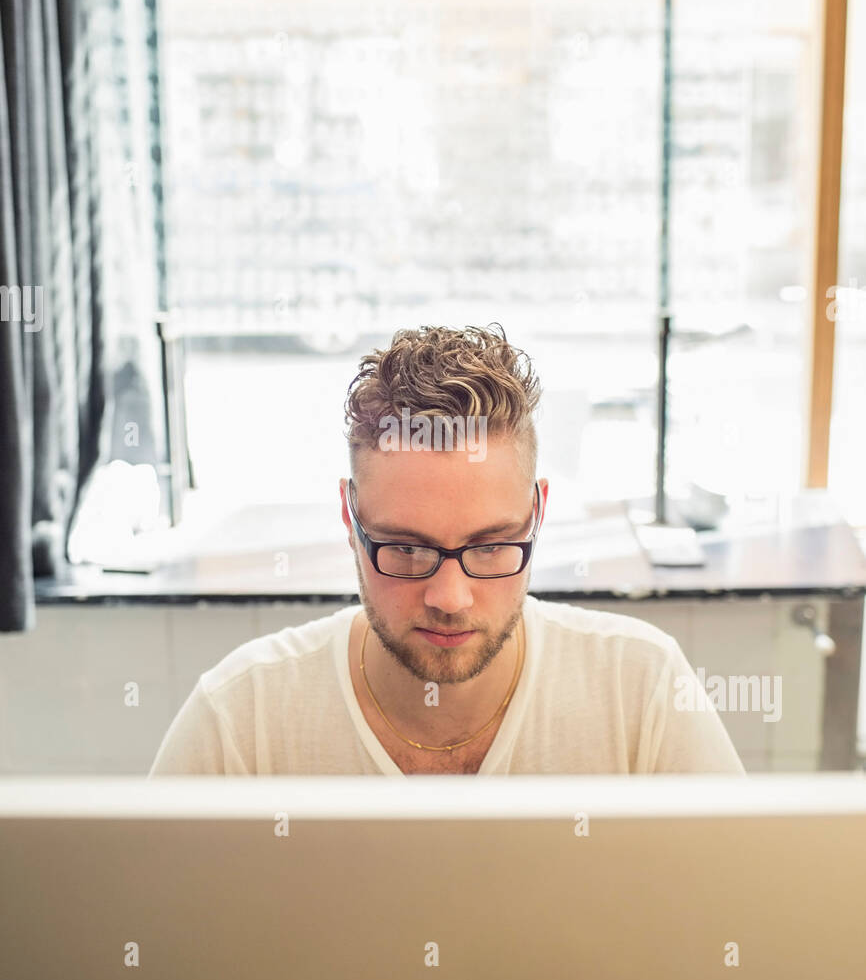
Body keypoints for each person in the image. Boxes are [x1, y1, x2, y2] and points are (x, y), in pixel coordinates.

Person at [149, 323, 745, 776]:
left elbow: (744, 915)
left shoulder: (641, 692)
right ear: (348, 517)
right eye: (407, 551)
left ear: (537, 513)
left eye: (490, 548)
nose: (450, 599)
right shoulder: (241, 719)